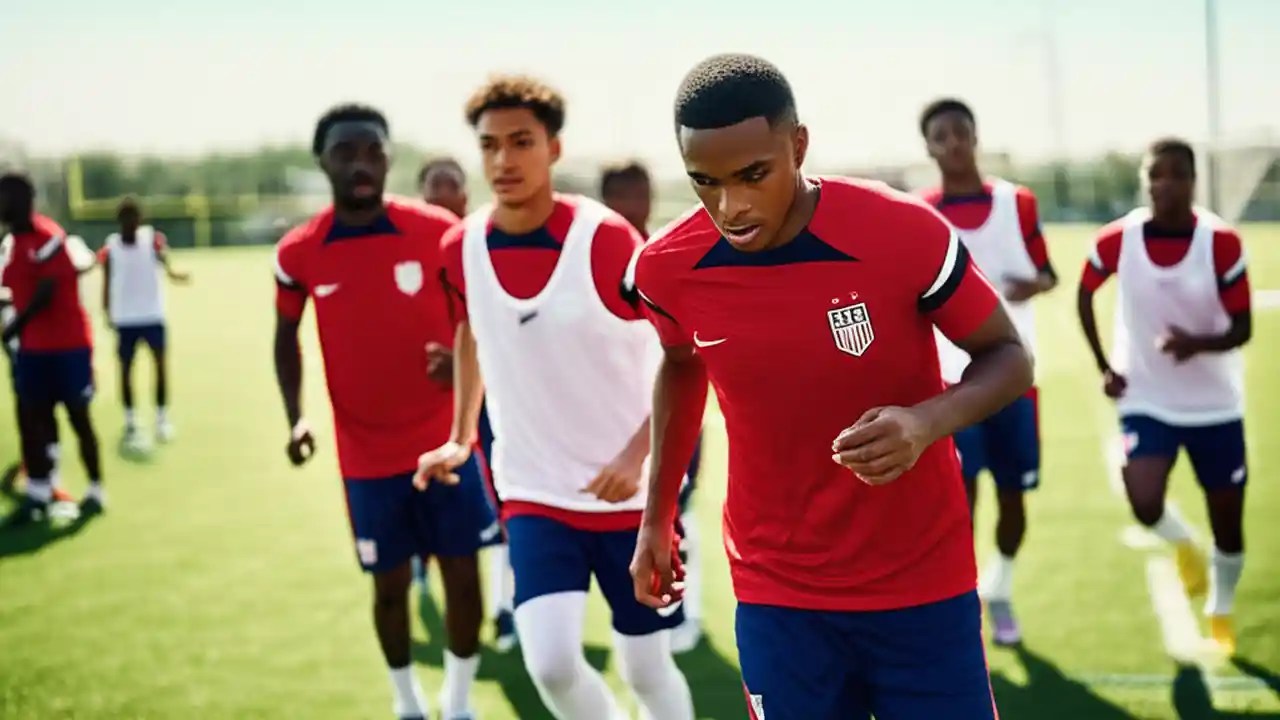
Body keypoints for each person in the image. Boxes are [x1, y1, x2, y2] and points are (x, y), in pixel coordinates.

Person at [630, 54, 1033, 720]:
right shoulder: (665, 268)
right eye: (705, 182)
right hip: (777, 591)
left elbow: (1008, 357)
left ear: (798, 146)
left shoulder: (902, 231)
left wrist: (925, 423)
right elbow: (681, 363)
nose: (731, 206)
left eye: (753, 175)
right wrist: (657, 515)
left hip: (921, 585)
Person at [417, 75, 694, 720]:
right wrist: (460, 437)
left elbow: (681, 356)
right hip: (535, 492)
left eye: (522, 142)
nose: (504, 160)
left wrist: (636, 457)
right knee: (551, 664)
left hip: (631, 498)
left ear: (554, 148)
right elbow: (471, 330)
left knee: (646, 667)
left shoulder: (605, 240)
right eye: (490, 145)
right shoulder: (459, 248)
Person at [273, 105, 495, 720]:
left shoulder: (437, 233)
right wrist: (295, 416)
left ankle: (457, 702)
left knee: (462, 577)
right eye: (345, 152)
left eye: (373, 151)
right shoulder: (300, 252)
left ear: (389, 158)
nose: (361, 164)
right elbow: (285, 336)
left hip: (446, 443)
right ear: (323, 161)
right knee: (390, 586)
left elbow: (481, 320)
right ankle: (407, 702)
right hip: (366, 457)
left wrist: (462, 368)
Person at [1077, 137, 1251, 656]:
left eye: (1176, 174)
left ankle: (1220, 606)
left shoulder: (1220, 243)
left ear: (1193, 181)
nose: (1164, 184)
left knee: (1229, 524)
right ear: (1145, 181)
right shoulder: (1118, 239)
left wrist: (1195, 343)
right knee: (1144, 500)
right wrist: (1105, 366)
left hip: (1215, 406)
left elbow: (1242, 327)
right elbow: (1084, 294)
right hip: (1146, 398)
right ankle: (1183, 543)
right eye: (1155, 174)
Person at [917, 98, 1057, 646]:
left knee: (1013, 498)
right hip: (950, 387)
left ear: (976, 136)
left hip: (1014, 380)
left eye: (961, 132)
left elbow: (1048, 273)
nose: (953, 143)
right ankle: (965, 597)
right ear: (929, 147)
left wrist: (1033, 285)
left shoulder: (1016, 203)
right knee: (959, 503)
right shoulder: (920, 213)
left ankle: (1001, 586)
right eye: (942, 136)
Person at [600, 159, 705, 655]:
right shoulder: (599, 268)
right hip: (617, 420)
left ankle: (685, 613)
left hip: (676, 415)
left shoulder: (669, 258)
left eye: (639, 193)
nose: (632, 205)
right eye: (621, 194)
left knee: (681, 511)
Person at [1, 172, 103, 524]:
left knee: (78, 416)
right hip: (33, 349)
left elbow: (46, 291)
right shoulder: (13, 243)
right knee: (34, 420)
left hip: (67, 345)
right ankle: (39, 493)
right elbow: (12, 291)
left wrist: (14, 327)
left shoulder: (47, 237)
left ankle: (96, 489)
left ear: (22, 201)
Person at [100, 198, 190, 449]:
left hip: (152, 315)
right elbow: (106, 282)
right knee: (126, 371)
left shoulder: (153, 241)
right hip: (125, 319)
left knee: (160, 368)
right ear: (120, 221)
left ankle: (161, 418)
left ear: (140, 220)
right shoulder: (111, 248)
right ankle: (130, 421)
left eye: (134, 219)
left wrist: (177, 275)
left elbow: (167, 266)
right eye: (126, 219)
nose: (131, 224)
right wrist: (107, 311)